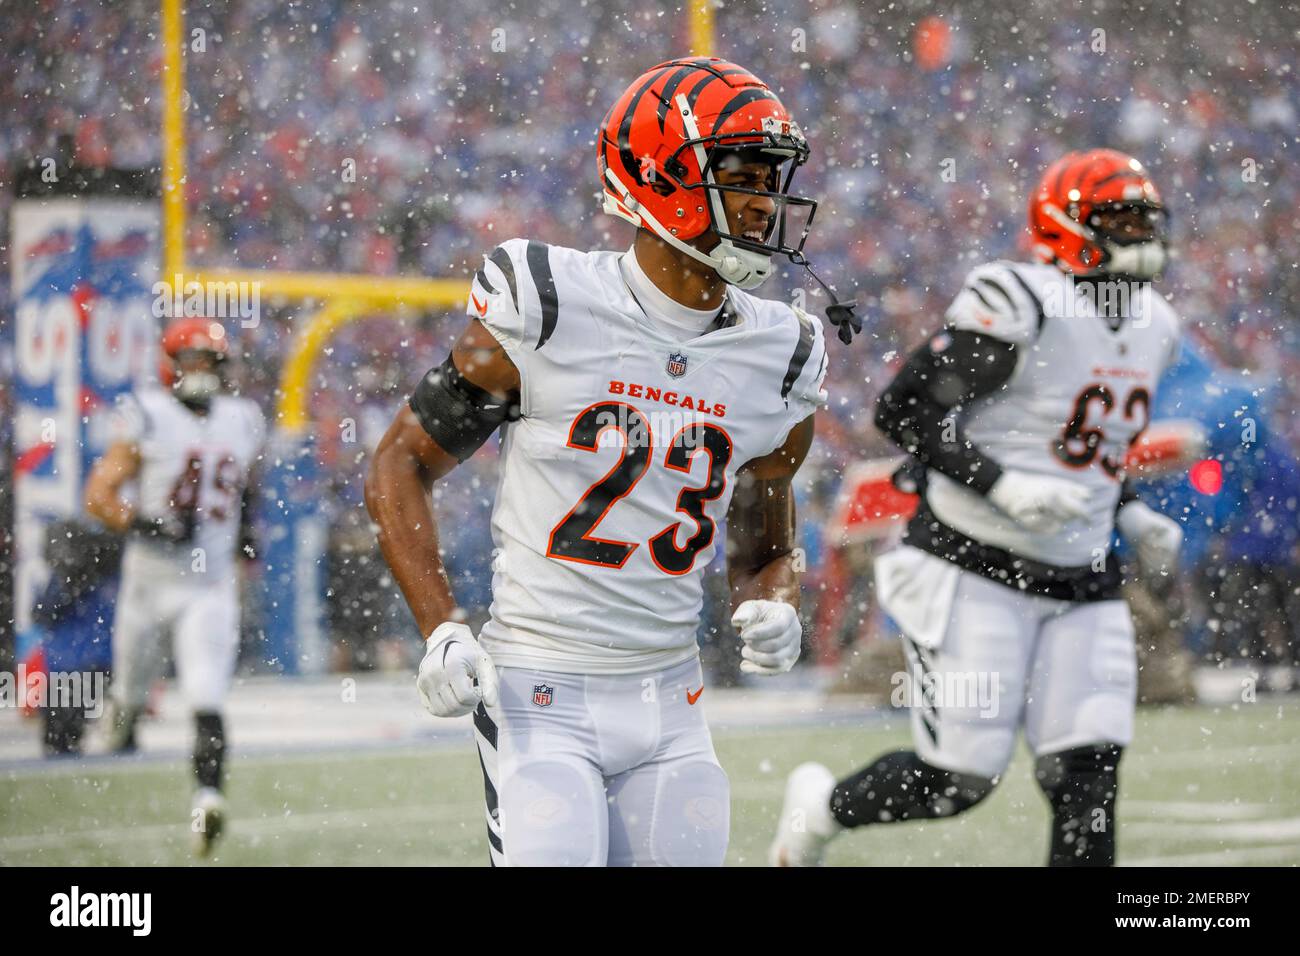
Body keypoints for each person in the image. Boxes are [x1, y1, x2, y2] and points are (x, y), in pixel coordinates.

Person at [366, 56, 855, 867]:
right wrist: (442, 631)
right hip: (537, 694)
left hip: (672, 701)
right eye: (740, 176)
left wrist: (777, 598)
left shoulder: (783, 353)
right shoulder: (549, 304)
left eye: (772, 180)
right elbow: (398, 465)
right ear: (660, 177)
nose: (765, 203)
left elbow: (763, 539)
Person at [771, 149, 1185, 867]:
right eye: (1121, 219)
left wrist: (1130, 510)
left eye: (1146, 220)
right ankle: (821, 810)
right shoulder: (1021, 301)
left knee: (1087, 778)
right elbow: (903, 413)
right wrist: (1004, 486)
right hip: (975, 566)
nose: (1140, 236)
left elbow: (1090, 445)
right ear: (1067, 227)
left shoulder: (1156, 322)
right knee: (959, 779)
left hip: (1083, 581)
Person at [85, 317, 265, 857]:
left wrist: (246, 542)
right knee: (130, 697)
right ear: (170, 365)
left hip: (207, 586)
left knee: (206, 696)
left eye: (209, 361)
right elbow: (99, 494)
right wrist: (144, 521)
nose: (201, 372)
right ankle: (122, 719)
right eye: (191, 360)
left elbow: (245, 494)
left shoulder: (243, 419)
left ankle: (208, 796)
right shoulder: (148, 413)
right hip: (147, 585)